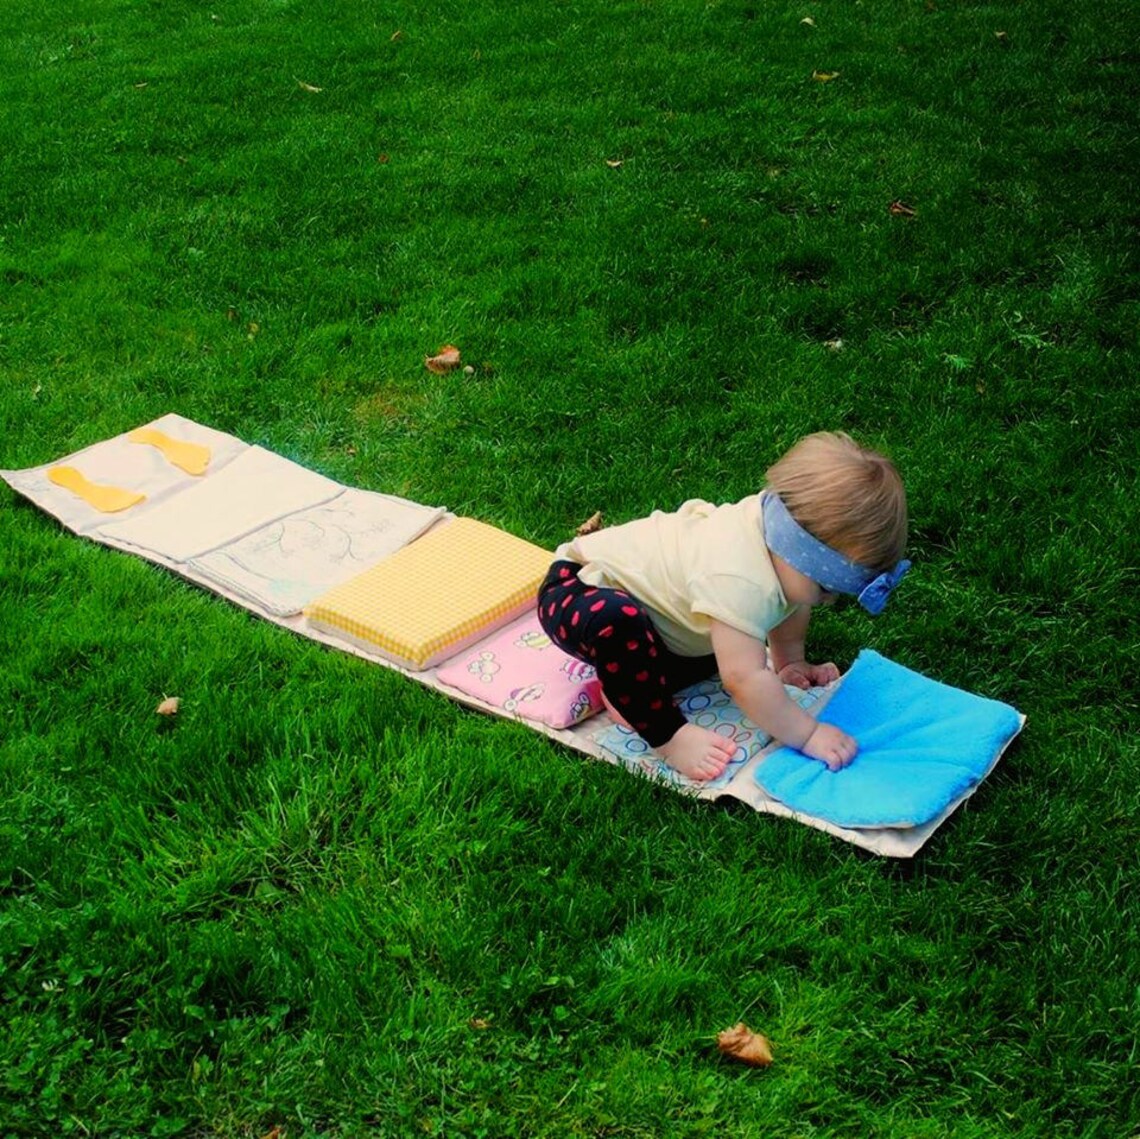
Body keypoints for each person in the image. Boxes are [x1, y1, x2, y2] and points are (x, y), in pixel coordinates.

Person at [537, 432, 910, 781]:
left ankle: (627, 690)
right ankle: (666, 733)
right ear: (796, 550)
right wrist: (808, 733)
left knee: (724, 647)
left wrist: (789, 663)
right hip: (578, 590)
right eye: (825, 587)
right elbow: (742, 679)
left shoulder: (779, 551)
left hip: (661, 614)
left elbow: (791, 604)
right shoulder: (738, 576)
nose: (828, 599)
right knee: (623, 625)